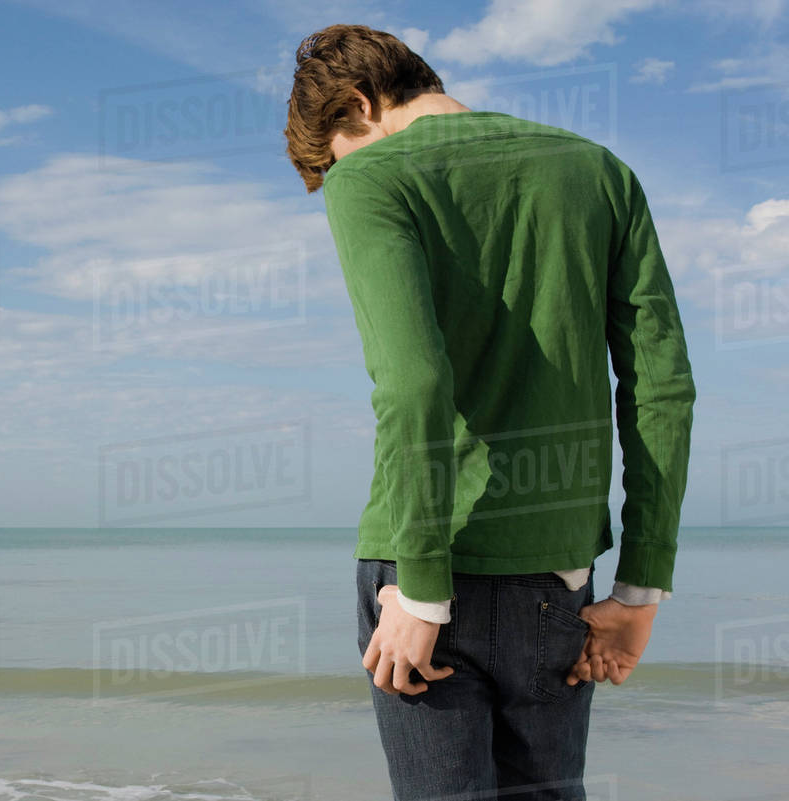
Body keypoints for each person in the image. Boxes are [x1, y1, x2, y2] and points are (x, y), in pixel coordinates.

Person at [284, 24, 695, 801]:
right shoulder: (602, 173)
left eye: (339, 151)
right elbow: (663, 386)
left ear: (360, 104)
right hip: (559, 567)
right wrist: (640, 590)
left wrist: (423, 588)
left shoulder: (371, 180)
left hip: (421, 566)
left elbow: (412, 384)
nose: (344, 172)